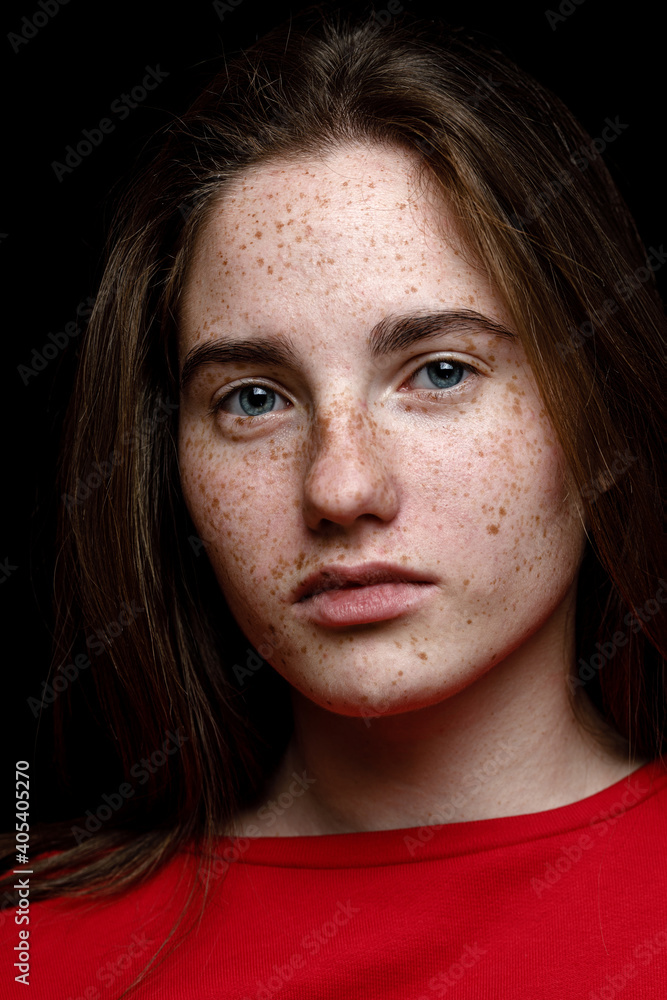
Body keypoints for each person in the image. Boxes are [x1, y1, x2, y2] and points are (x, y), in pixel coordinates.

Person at [2, 5, 666, 998]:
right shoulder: (34, 958)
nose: (341, 488)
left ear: (601, 419)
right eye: (255, 399)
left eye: (439, 372)